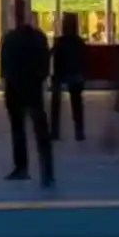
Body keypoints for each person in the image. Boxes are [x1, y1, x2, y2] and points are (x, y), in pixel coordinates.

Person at [0, 0, 54, 187]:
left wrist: (8, 87)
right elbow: (45, 63)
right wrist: (40, 77)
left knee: (19, 130)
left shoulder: (10, 39)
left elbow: (5, 68)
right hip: (33, 89)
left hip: (16, 90)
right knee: (40, 130)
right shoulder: (39, 38)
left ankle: (21, 167)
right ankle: (47, 170)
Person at [50, 13, 86, 142]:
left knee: (56, 104)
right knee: (76, 103)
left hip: (60, 74)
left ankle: (55, 131)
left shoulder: (60, 41)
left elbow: (52, 55)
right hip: (76, 74)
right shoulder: (79, 42)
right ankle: (79, 130)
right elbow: (84, 59)